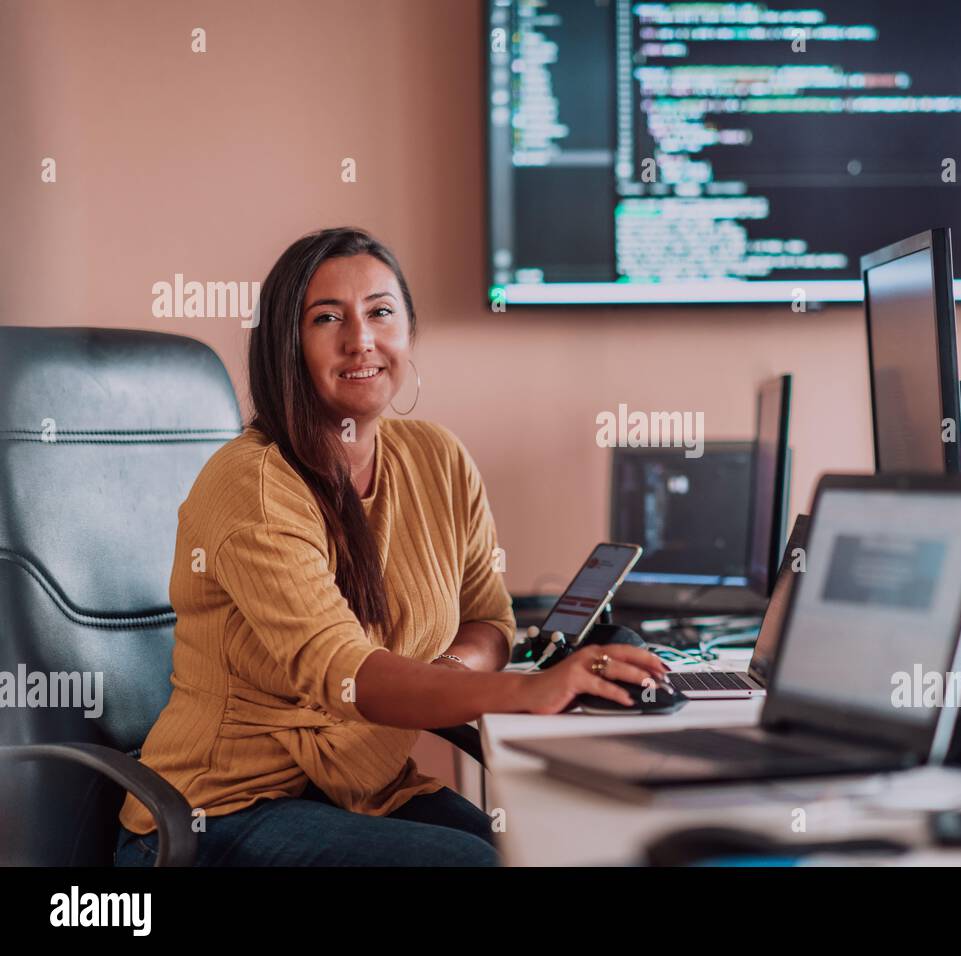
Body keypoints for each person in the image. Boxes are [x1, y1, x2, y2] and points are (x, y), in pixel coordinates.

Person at [114, 227, 665, 866]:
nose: (361, 340)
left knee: (550, 847)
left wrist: (444, 678)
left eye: (381, 312)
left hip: (365, 791)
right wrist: (529, 691)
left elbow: (489, 619)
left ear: (408, 331)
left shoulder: (438, 458)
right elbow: (346, 676)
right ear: (286, 346)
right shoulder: (254, 484)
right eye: (327, 319)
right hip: (218, 813)